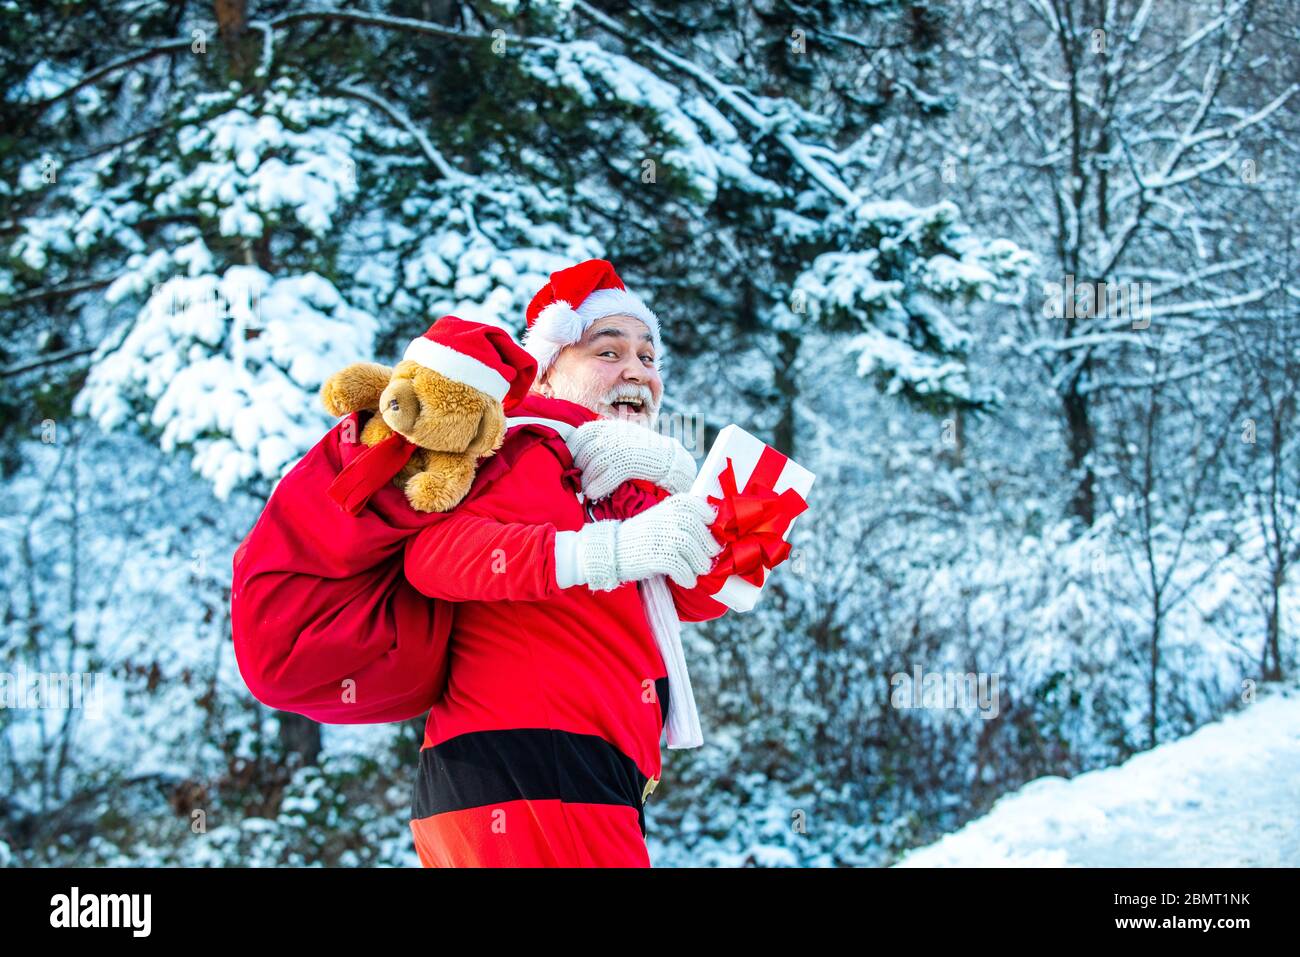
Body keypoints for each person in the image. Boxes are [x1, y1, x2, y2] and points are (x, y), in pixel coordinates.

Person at [404, 258, 730, 867]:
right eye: (607, 353)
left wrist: (725, 530)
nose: (636, 371)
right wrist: (615, 549)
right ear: (548, 372)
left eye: (648, 358)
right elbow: (434, 558)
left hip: (574, 772)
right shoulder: (525, 444)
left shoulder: (611, 476)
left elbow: (686, 597)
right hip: (531, 765)